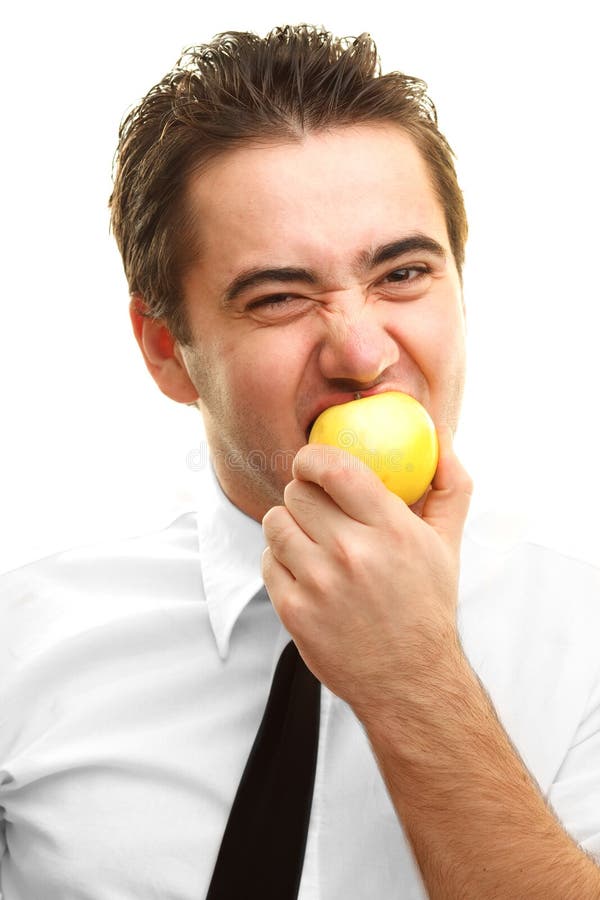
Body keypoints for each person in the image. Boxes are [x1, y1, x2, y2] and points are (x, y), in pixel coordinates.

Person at [1, 24, 599, 899]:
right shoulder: (21, 646)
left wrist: (414, 678)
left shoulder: (585, 640)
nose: (361, 353)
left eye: (403, 274)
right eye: (280, 296)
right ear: (166, 350)